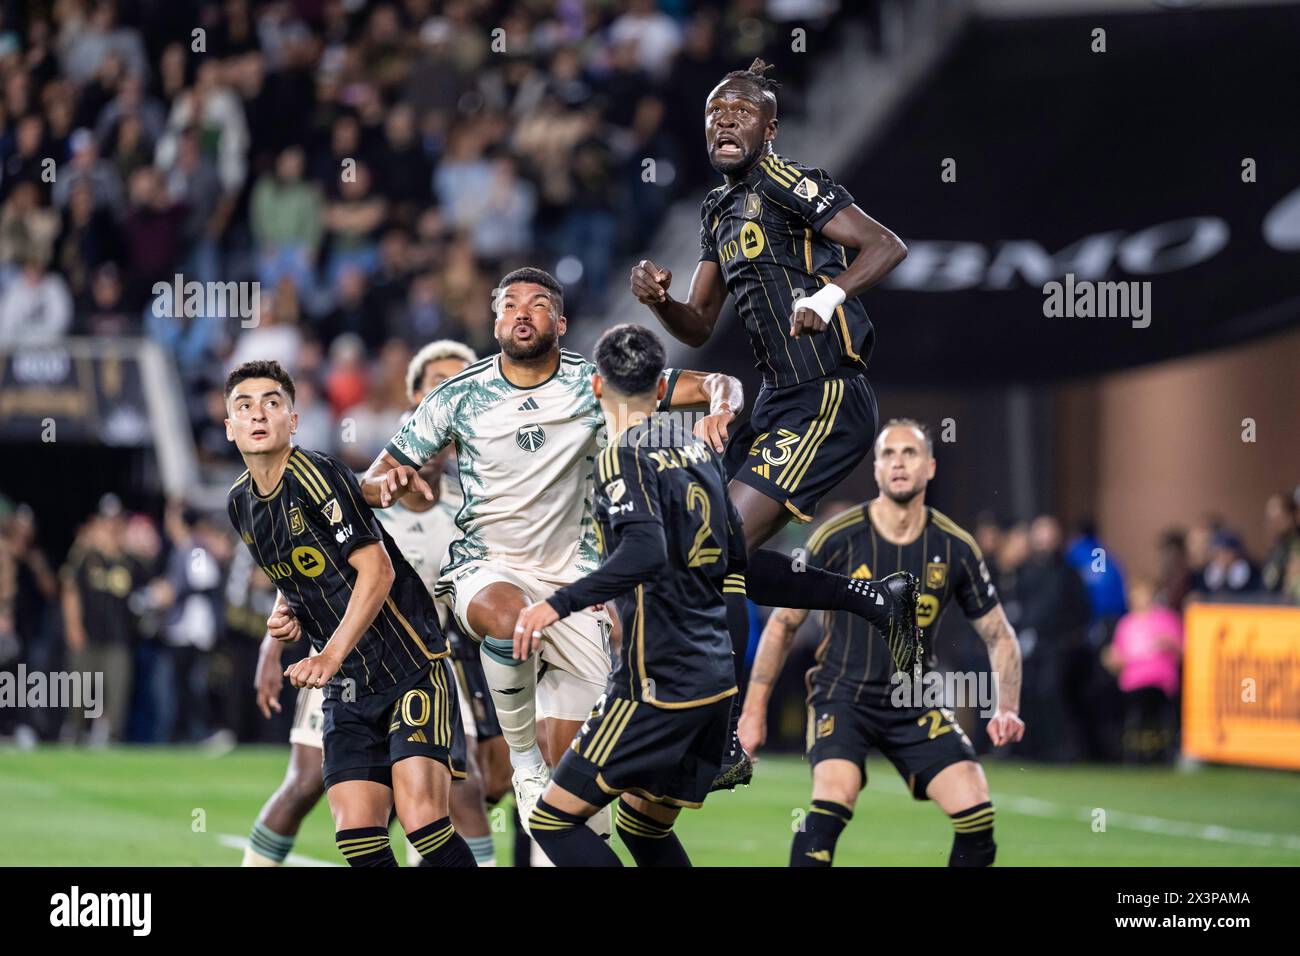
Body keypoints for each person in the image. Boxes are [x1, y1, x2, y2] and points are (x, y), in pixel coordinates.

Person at [361, 268, 744, 833]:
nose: (522, 312)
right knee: (509, 622)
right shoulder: (459, 396)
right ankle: (522, 762)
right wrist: (384, 484)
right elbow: (375, 475)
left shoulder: (594, 384)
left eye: (538, 303)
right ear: (495, 322)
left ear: (560, 323)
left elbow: (718, 381)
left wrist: (720, 407)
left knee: (577, 814)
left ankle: (563, 808)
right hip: (486, 566)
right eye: (509, 303)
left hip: (576, 582)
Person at [629, 58, 918, 787]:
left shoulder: (788, 181)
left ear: (770, 127)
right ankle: (877, 600)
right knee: (722, 555)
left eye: (740, 112)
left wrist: (828, 298)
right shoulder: (717, 211)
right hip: (779, 405)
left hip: (826, 391)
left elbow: (885, 245)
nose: (724, 122)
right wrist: (661, 301)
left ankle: (719, 742)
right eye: (714, 114)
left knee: (711, 543)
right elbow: (697, 325)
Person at [740, 420, 1023, 867]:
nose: (898, 463)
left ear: (930, 467)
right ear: (875, 470)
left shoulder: (956, 547)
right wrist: (753, 713)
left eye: (909, 453)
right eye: (888, 454)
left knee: (977, 813)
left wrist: (1006, 705)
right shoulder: (837, 537)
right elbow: (783, 623)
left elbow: (999, 633)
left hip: (914, 701)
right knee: (832, 804)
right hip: (842, 696)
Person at [224, 359, 472, 867]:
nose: (258, 414)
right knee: (358, 833)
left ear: (293, 420)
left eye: (272, 402)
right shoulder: (239, 503)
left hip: (410, 666)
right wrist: (285, 616)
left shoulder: (317, 475)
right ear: (228, 427)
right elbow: (293, 570)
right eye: (243, 406)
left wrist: (328, 655)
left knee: (423, 821)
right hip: (349, 685)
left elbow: (377, 571)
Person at [516, 324, 743, 866]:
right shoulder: (695, 445)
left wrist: (558, 602)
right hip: (713, 679)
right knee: (643, 829)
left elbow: (645, 553)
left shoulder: (623, 454)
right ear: (660, 388)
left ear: (597, 386)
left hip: (656, 683)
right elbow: (738, 560)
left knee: (551, 819)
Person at [1102, 576, 1182, 764]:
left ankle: (1160, 751)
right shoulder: (1126, 624)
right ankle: (1127, 752)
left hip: (1159, 681)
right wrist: (1111, 659)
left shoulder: (1167, 619)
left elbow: (1182, 651)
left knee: (1150, 706)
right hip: (1132, 683)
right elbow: (1116, 658)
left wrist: (1169, 644)